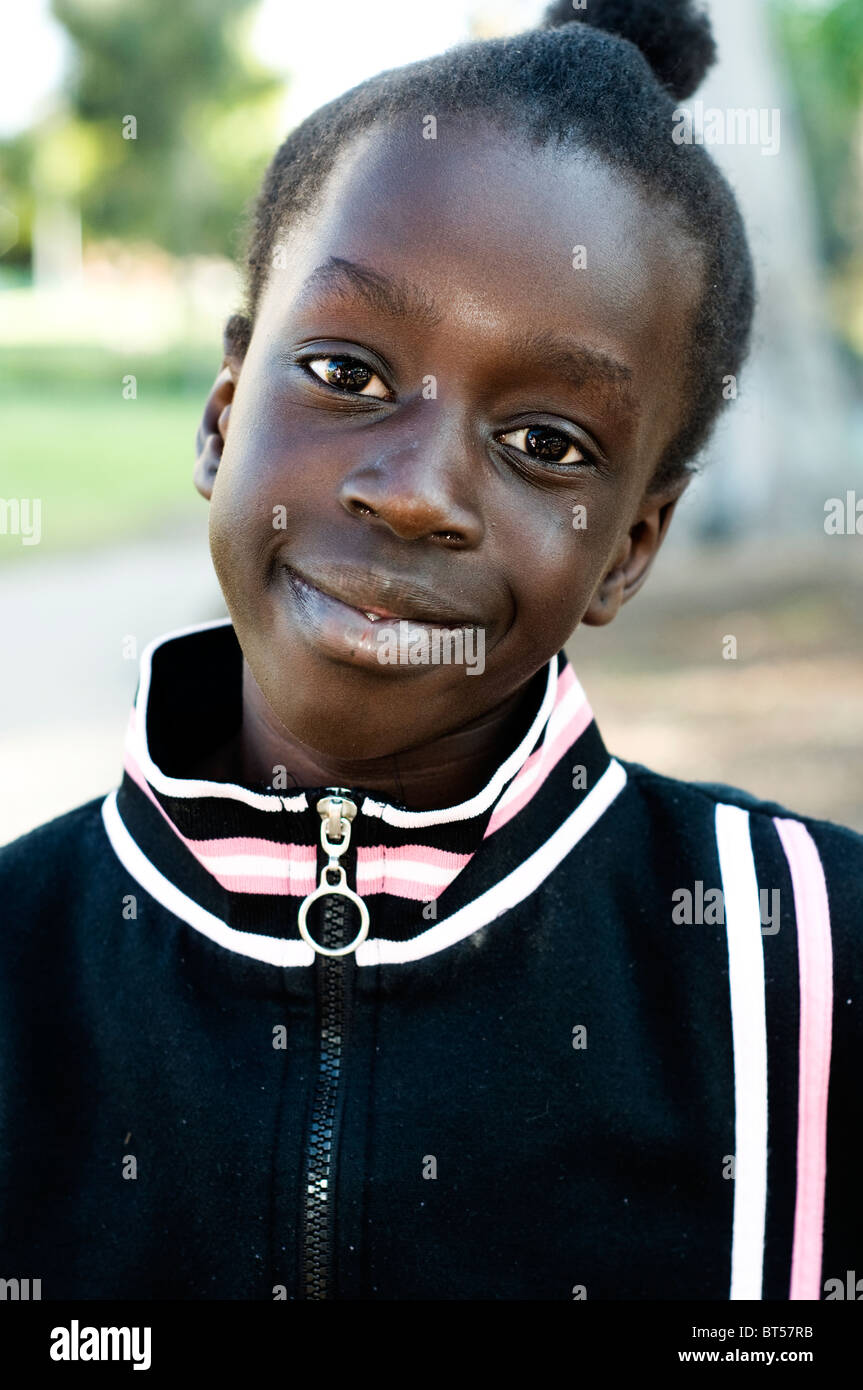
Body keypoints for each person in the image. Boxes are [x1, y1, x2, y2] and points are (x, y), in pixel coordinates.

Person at [1, 0, 860, 1302]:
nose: (415, 493)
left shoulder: (812, 969)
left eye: (547, 445)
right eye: (345, 371)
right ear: (223, 419)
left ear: (629, 547)